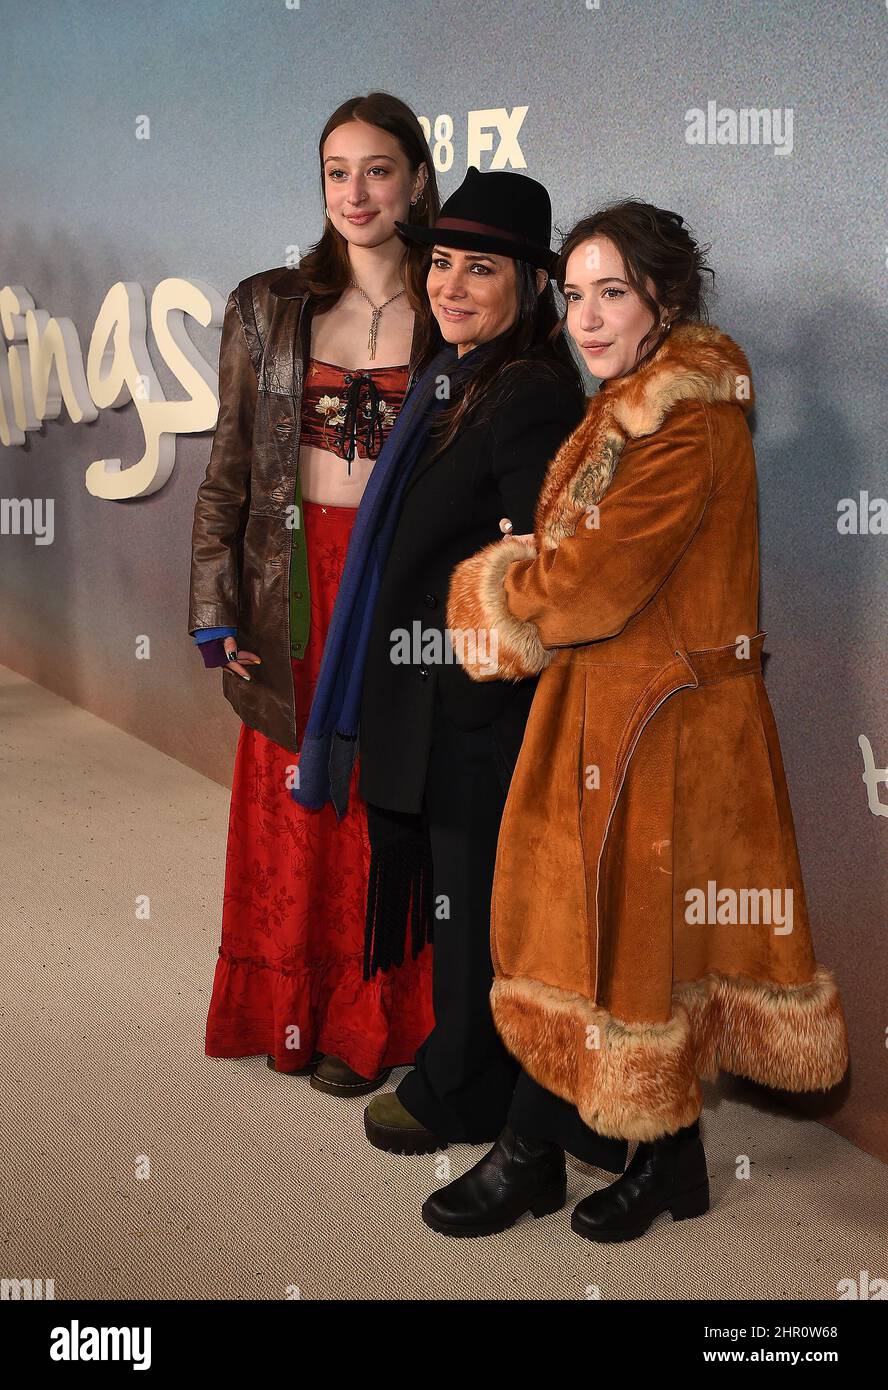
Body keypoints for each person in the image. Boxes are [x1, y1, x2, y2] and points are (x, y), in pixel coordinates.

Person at [439, 200, 850, 1241]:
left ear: (664, 298)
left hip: (659, 730)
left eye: (611, 292)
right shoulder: (633, 406)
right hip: (621, 713)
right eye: (573, 295)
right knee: (628, 950)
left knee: (609, 950)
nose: (584, 316)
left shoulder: (687, 423)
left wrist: (494, 590)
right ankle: (669, 1161)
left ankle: (538, 1155)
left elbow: (598, 583)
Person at [293, 166, 628, 1177]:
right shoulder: (454, 375)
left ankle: (464, 1085)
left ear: (532, 286)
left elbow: (550, 557)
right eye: (441, 262)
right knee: (460, 898)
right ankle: (465, 1069)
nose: (450, 284)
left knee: (480, 908)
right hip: (427, 696)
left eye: (481, 268)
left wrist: (470, 657)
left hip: (470, 707)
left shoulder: (524, 393)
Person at [188, 93, 443, 1094]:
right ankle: (290, 1005)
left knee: (387, 800)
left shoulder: (458, 303)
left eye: (378, 169)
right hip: (292, 579)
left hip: (402, 584)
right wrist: (216, 610)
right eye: (337, 171)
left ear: (417, 178)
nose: (357, 192)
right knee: (298, 804)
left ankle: (374, 1016)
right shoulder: (267, 304)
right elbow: (229, 470)